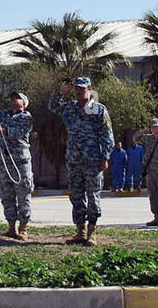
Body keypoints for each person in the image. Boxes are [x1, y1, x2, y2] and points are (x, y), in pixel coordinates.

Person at [47, 77, 113, 246]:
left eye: (82, 88)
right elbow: (52, 107)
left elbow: (107, 135)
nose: (78, 91)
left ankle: (92, 232)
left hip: (93, 160)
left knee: (93, 195)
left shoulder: (99, 109)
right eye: (76, 88)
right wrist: (61, 92)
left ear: (89, 89)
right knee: (76, 195)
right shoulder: (70, 108)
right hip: (74, 160)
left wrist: (105, 157)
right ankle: (80, 231)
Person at [0, 92, 34, 239]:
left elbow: (18, 133)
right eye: (12, 97)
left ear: (23, 103)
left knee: (23, 194)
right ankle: (12, 227)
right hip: (4, 161)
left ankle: (23, 228)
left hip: (20, 162)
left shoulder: (26, 117)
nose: (13, 100)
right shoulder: (1, 114)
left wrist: (2, 130)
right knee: (7, 195)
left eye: (17, 98)